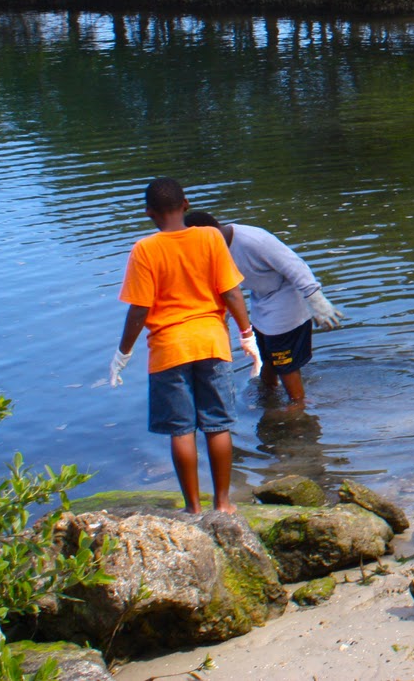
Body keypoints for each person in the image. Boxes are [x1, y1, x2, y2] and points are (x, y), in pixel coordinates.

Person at [109, 178, 261, 514]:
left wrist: (124, 352)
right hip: (211, 342)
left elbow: (139, 308)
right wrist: (247, 333)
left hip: (168, 349)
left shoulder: (145, 250)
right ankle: (223, 504)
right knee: (218, 424)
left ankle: (193, 509)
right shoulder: (209, 237)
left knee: (181, 430)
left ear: (148, 212)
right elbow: (231, 292)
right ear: (186, 204)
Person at [184, 211, 343, 404]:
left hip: (285, 301)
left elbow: (294, 265)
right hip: (261, 301)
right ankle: (267, 396)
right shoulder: (212, 249)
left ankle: (298, 405)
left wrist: (316, 299)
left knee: (285, 364)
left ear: (212, 231)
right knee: (266, 358)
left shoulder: (253, 240)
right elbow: (222, 288)